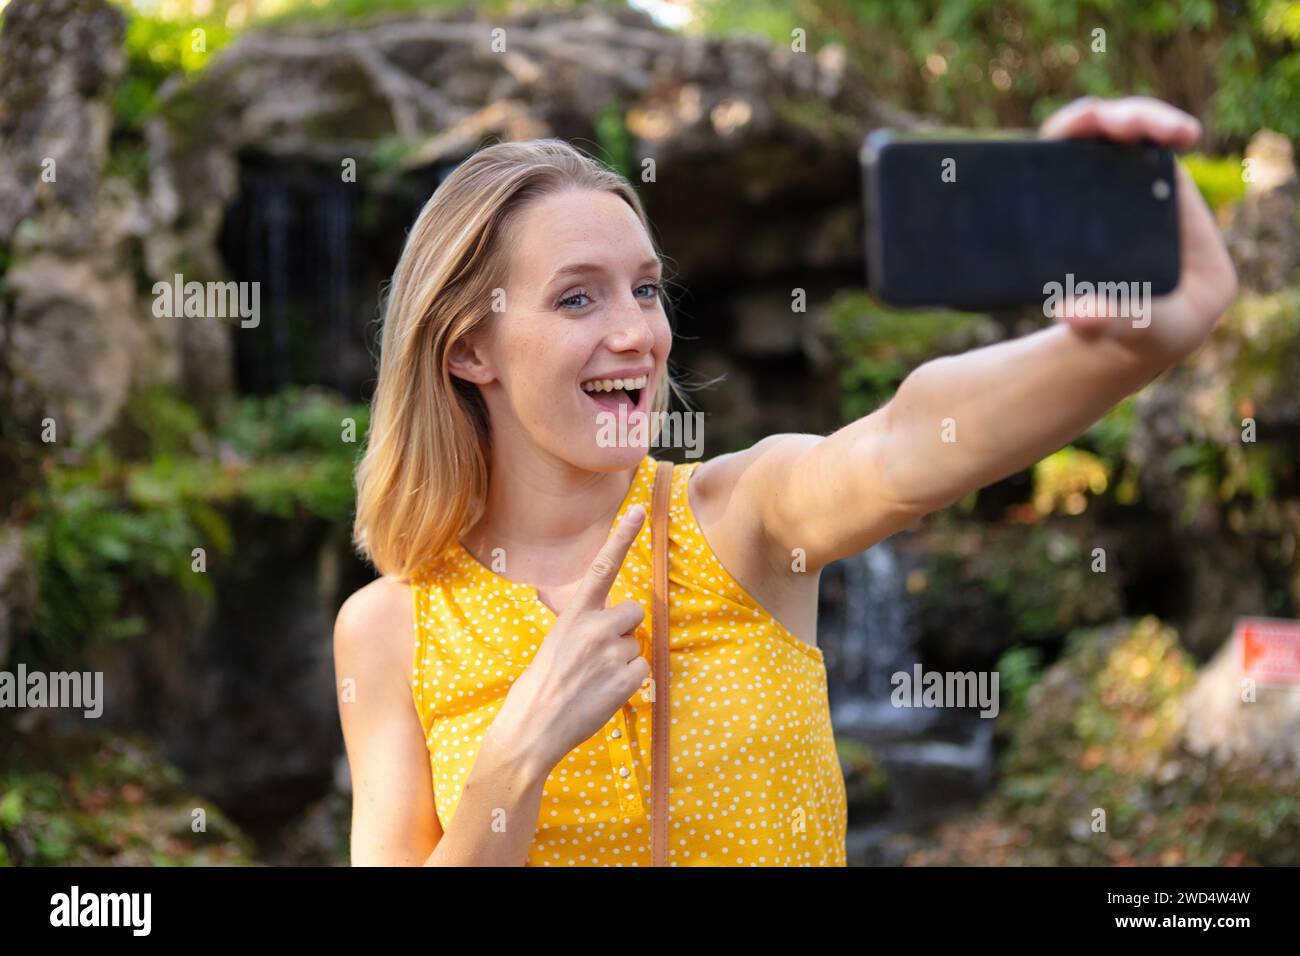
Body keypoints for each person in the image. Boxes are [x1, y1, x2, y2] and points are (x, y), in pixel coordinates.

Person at [333, 95, 1237, 866]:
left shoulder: (742, 517)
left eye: (645, 289)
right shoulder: (388, 630)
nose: (636, 334)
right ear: (467, 348)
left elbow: (907, 442)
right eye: (578, 297)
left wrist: (1129, 344)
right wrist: (513, 763)